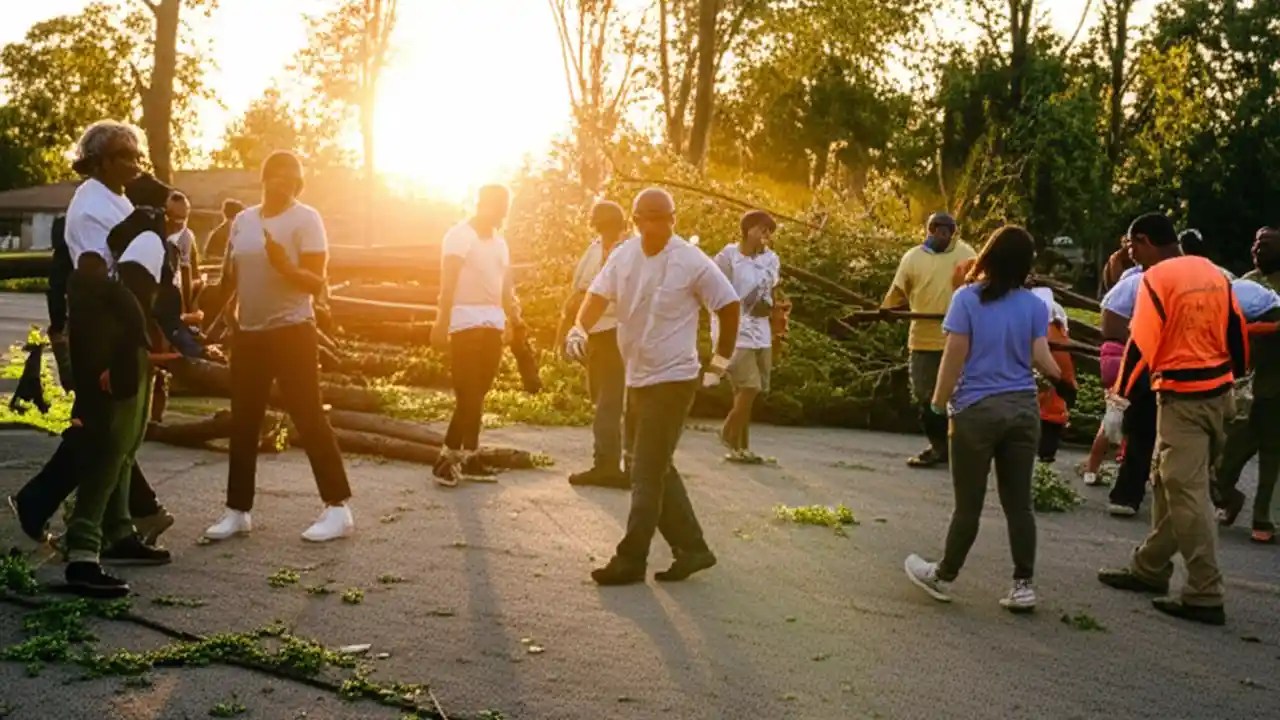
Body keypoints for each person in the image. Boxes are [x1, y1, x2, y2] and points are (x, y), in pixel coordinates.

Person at [7, 130, 175, 554]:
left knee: (119, 436)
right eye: (124, 154)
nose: (135, 161)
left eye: (138, 153)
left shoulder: (118, 198)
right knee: (103, 434)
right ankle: (42, 506)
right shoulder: (90, 209)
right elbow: (106, 279)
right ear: (98, 161)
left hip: (125, 327)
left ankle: (118, 530)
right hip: (105, 333)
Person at [565, 188, 740, 585]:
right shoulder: (623, 256)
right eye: (652, 219)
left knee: (644, 471)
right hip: (637, 375)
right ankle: (693, 548)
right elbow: (596, 296)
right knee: (651, 465)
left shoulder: (691, 261)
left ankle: (631, 559)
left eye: (667, 218)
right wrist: (579, 330)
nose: (661, 226)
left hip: (674, 379)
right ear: (637, 221)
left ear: (673, 220)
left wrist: (720, 362)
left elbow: (728, 306)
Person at [903, 225, 1071, 613]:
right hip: (1023, 411)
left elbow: (954, 357)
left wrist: (937, 402)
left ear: (989, 255)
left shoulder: (967, 299)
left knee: (968, 506)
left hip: (976, 411)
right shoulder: (1033, 305)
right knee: (1019, 505)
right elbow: (1041, 358)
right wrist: (1062, 382)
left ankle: (944, 575)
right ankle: (1023, 584)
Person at [1097, 212, 1248, 626]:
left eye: (1131, 249)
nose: (1130, 257)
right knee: (1169, 481)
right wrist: (1234, 375)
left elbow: (1141, 347)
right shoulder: (1213, 272)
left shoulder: (1156, 280)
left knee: (1185, 490)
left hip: (1183, 398)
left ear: (1144, 241)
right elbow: (1237, 330)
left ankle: (1204, 592)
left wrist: (1119, 401)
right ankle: (1149, 567)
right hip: (1218, 394)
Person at [203, 151, 354, 543]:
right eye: (277, 174)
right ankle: (238, 511)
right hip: (250, 334)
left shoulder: (307, 219)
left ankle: (338, 508)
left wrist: (284, 265)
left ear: (299, 185)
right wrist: (224, 318)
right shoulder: (243, 221)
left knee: (307, 415)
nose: (284, 182)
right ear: (264, 177)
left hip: (292, 330)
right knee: (244, 421)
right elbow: (231, 276)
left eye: (293, 178)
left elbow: (316, 282)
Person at [429, 185, 525, 487]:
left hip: (492, 322)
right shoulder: (458, 236)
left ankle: (460, 458)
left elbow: (506, 286)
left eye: (505, 206)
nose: (502, 211)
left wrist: (513, 318)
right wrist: (440, 322)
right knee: (468, 390)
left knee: (478, 391)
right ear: (482, 204)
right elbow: (448, 283)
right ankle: (460, 457)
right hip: (464, 320)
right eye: (498, 205)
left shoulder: (500, 243)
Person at [882, 212, 977, 468]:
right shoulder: (912, 257)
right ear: (930, 231)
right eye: (936, 231)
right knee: (926, 397)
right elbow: (899, 290)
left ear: (952, 232)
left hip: (958, 339)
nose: (941, 236)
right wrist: (887, 309)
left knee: (961, 397)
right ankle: (938, 447)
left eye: (947, 232)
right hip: (922, 339)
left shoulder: (967, 256)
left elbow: (980, 290)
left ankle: (963, 448)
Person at [1214, 228, 1280, 543]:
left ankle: (1263, 520)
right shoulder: (1249, 280)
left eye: (1265, 244)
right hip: (1247, 385)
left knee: (1271, 455)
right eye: (1255, 243)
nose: (1257, 249)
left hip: (1276, 386)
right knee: (1229, 450)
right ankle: (1227, 495)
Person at [561, 201, 630, 489]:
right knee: (600, 398)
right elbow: (578, 293)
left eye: (608, 224)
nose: (603, 229)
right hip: (595, 334)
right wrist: (568, 330)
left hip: (620, 333)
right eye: (600, 224)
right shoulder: (593, 249)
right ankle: (614, 462)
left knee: (609, 403)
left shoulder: (630, 251)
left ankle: (608, 465)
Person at [713, 210, 781, 463]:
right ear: (748, 229)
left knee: (747, 392)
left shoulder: (771, 259)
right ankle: (728, 430)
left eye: (769, 232)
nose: (766, 236)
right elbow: (716, 291)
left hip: (761, 331)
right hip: (735, 331)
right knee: (750, 386)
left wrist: (774, 311)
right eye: (762, 230)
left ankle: (740, 448)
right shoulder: (728, 256)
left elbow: (772, 289)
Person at [1031, 289, 1076, 464]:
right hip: (1058, 367)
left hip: (1045, 366)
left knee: (1043, 406)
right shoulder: (1057, 316)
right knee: (1054, 408)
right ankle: (1047, 452)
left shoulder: (1037, 315)